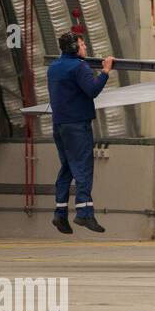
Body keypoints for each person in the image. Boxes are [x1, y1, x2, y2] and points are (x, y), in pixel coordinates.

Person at [47, 32, 113, 233]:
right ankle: (85, 214)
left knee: (67, 167)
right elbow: (92, 90)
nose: (85, 48)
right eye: (83, 45)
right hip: (77, 125)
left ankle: (60, 213)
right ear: (75, 48)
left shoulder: (54, 67)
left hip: (59, 125)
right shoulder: (79, 67)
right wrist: (105, 72)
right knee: (83, 168)